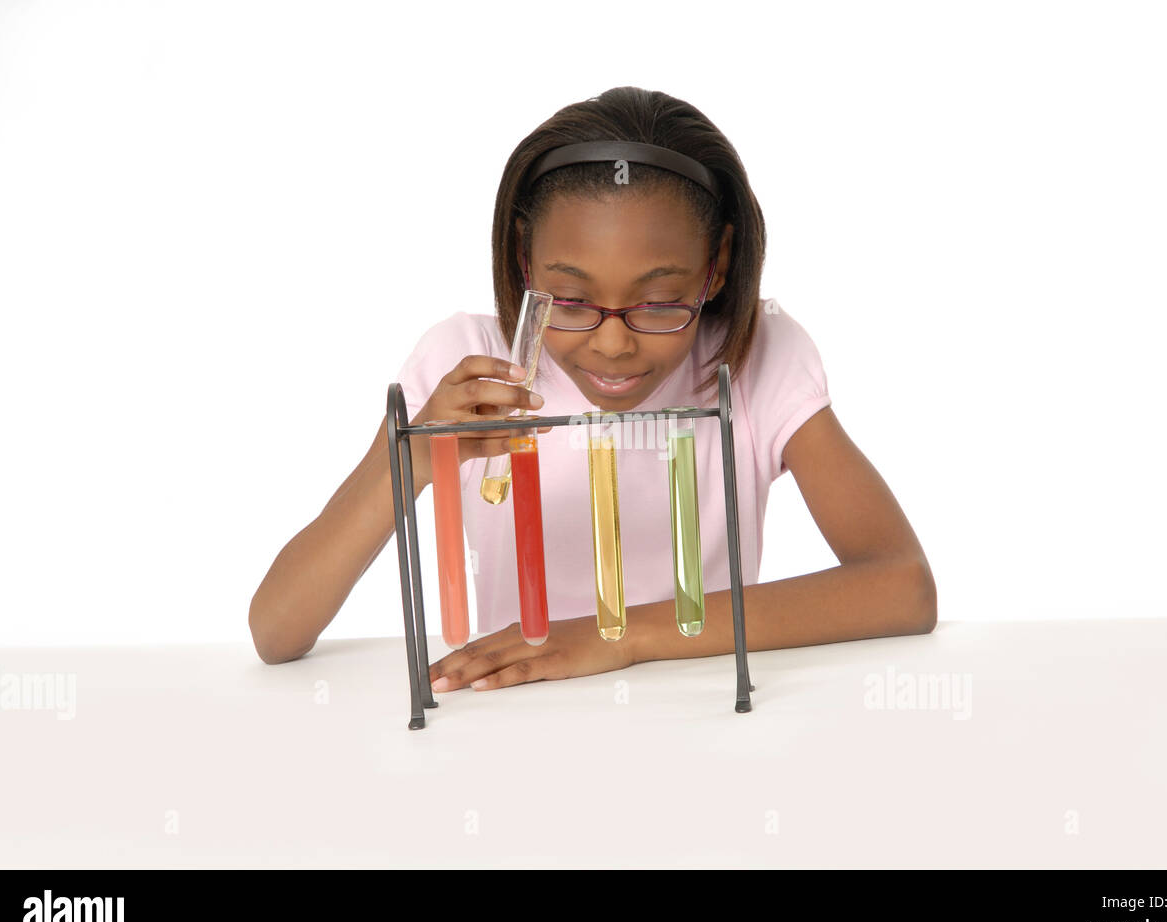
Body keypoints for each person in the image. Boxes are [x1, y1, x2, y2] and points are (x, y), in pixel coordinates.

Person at [249, 86, 937, 689]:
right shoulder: (468, 360)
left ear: (717, 267)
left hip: (700, 725)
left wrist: (617, 637)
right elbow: (277, 632)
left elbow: (902, 585)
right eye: (570, 299)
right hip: (513, 727)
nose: (613, 343)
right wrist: (415, 457)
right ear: (525, 262)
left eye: (661, 300)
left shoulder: (752, 356)